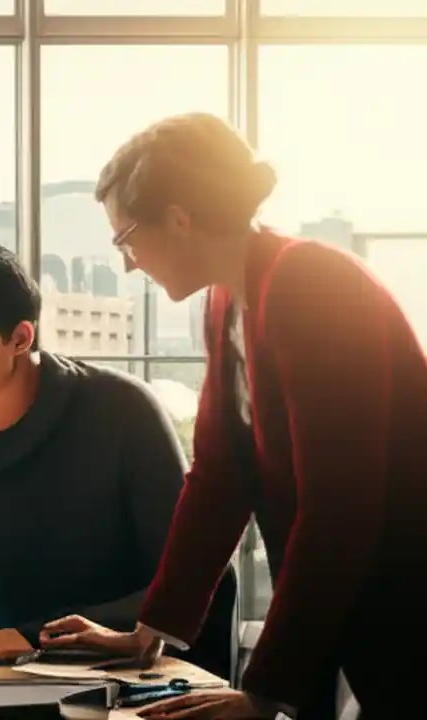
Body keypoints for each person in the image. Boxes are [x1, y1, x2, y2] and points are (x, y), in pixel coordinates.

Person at [40, 112, 427, 719]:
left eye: (126, 238)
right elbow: (219, 475)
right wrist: (152, 631)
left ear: (179, 218)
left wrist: (263, 692)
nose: (128, 263)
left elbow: (340, 505)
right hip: (355, 595)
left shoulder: (307, 282)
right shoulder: (228, 299)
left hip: (404, 591)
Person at [0, 239, 234, 677]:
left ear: (20, 338)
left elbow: (201, 585)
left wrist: (30, 637)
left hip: (126, 670)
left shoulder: (121, 410)